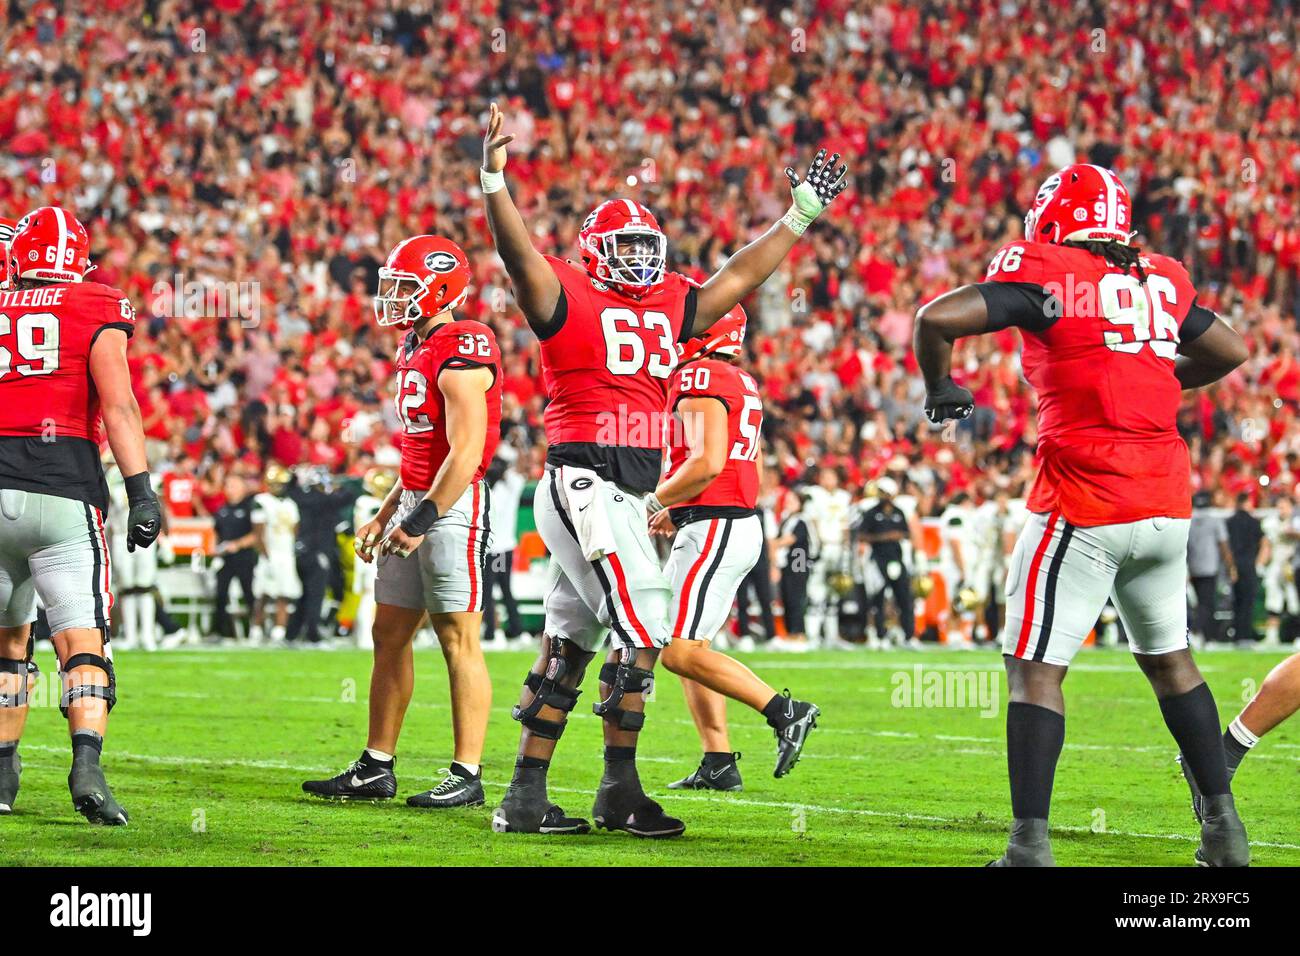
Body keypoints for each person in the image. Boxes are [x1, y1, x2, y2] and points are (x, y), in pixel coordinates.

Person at [480, 102, 847, 836]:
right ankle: (619, 789)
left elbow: (739, 277)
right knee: (646, 629)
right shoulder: (565, 290)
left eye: (646, 244)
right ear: (592, 252)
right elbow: (518, 254)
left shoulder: (674, 301)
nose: (641, 257)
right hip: (583, 478)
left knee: (571, 644)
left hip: (624, 487)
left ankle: (529, 795)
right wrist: (494, 181)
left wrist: (798, 217)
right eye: (624, 245)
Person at [914, 164, 1250, 866]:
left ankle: (1027, 848)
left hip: (1084, 500)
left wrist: (941, 385)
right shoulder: (1157, 275)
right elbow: (1229, 349)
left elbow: (936, 318)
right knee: (1173, 663)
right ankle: (1225, 834)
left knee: (1035, 670)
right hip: (1165, 503)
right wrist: (1156, 375)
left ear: (1053, 217)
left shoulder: (1048, 269)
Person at [303, 235, 500, 809]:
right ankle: (376, 765)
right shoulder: (415, 344)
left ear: (441, 287)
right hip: (417, 498)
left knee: (456, 637)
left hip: (453, 504)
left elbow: (464, 452)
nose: (392, 298)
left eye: (404, 287)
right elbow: (419, 451)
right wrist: (389, 509)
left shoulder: (466, 342)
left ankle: (467, 771)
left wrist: (423, 516)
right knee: (388, 633)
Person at [0, 207, 162, 824]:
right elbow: (119, 406)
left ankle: (3, 774)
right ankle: (87, 766)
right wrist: (140, 490)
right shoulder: (96, 304)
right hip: (62, 489)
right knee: (80, 642)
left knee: (8, 647)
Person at [649, 306, 820, 792]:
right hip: (727, 521)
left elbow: (706, 463)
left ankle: (786, 711)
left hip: (717, 527)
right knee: (690, 645)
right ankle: (718, 761)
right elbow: (746, 466)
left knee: (678, 653)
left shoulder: (700, 374)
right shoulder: (737, 378)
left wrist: (652, 501)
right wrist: (680, 509)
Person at [859, 477, 915, 644]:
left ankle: (908, 635)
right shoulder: (871, 513)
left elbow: (907, 533)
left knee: (904, 598)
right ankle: (880, 635)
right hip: (878, 559)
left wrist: (899, 536)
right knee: (879, 599)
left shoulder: (899, 512)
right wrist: (884, 537)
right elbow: (862, 535)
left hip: (897, 558)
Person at [250, 464, 301, 645]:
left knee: (284, 594)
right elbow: (259, 533)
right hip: (269, 554)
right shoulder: (261, 501)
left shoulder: (290, 504)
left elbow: (294, 530)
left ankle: (279, 631)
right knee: (263, 594)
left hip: (286, 554)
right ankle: (256, 629)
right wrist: (266, 556)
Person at [482, 446, 527, 647]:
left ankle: (492, 632)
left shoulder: (486, 490)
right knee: (504, 589)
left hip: (492, 550)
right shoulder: (511, 486)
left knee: (489, 590)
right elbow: (520, 470)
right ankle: (515, 630)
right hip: (503, 549)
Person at [350, 467, 396, 650]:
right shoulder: (371, 504)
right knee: (371, 596)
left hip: (366, 553)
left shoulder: (364, 502)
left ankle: (361, 636)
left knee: (369, 596)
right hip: (370, 554)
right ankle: (365, 638)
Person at [211, 473, 259, 640]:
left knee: (249, 594)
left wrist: (237, 544)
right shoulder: (222, 510)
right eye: (227, 485)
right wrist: (216, 548)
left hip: (245, 558)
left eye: (233, 485)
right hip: (225, 559)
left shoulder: (250, 507)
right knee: (221, 593)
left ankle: (256, 628)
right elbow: (216, 533)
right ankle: (220, 631)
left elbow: (257, 534)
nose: (229, 489)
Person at [1187, 492, 1233, 643]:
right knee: (1207, 604)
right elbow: (1223, 544)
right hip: (1210, 566)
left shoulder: (1189, 519)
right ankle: (1198, 632)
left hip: (1192, 567)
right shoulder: (1215, 519)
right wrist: (1230, 566)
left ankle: (1203, 635)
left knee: (1199, 603)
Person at [774, 493, 818, 645]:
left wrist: (772, 544)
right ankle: (790, 632)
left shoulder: (801, 521)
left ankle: (798, 633)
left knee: (796, 597)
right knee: (787, 597)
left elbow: (791, 539)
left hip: (798, 562)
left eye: (793, 500)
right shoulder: (788, 519)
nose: (788, 503)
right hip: (787, 563)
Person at [1259, 496, 1299, 646]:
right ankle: (1272, 636)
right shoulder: (1271, 523)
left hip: (1293, 566)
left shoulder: (1296, 520)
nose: (1282, 510)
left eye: (1285, 507)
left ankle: (1297, 636)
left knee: (1295, 601)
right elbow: (1267, 545)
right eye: (1279, 507)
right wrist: (1261, 565)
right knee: (1273, 599)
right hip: (1277, 565)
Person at [1224, 493, 1263, 643]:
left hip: (1234, 565)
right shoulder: (1254, 522)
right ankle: (1245, 635)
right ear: (1247, 503)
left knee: (1236, 601)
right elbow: (1263, 543)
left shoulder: (1229, 522)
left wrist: (1230, 567)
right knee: (1248, 601)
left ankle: (1237, 634)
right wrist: (1258, 563)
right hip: (1249, 565)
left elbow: (1226, 546)